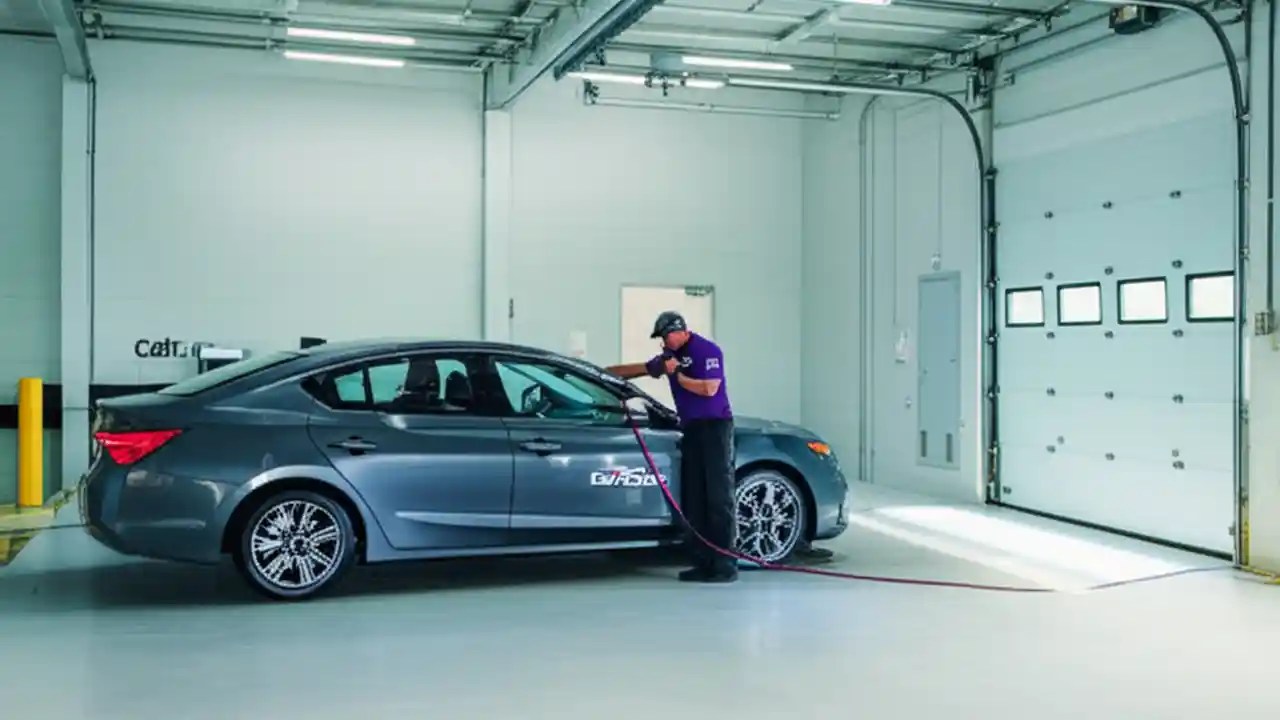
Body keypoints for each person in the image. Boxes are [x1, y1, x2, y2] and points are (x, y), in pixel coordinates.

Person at [607, 311, 738, 583]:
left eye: (666, 337)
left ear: (680, 331)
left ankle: (725, 564)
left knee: (718, 496)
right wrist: (603, 375)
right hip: (689, 428)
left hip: (715, 427)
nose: (664, 343)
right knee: (695, 498)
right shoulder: (669, 356)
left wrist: (677, 374)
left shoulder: (707, 351)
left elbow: (709, 389)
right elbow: (642, 368)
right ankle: (702, 562)